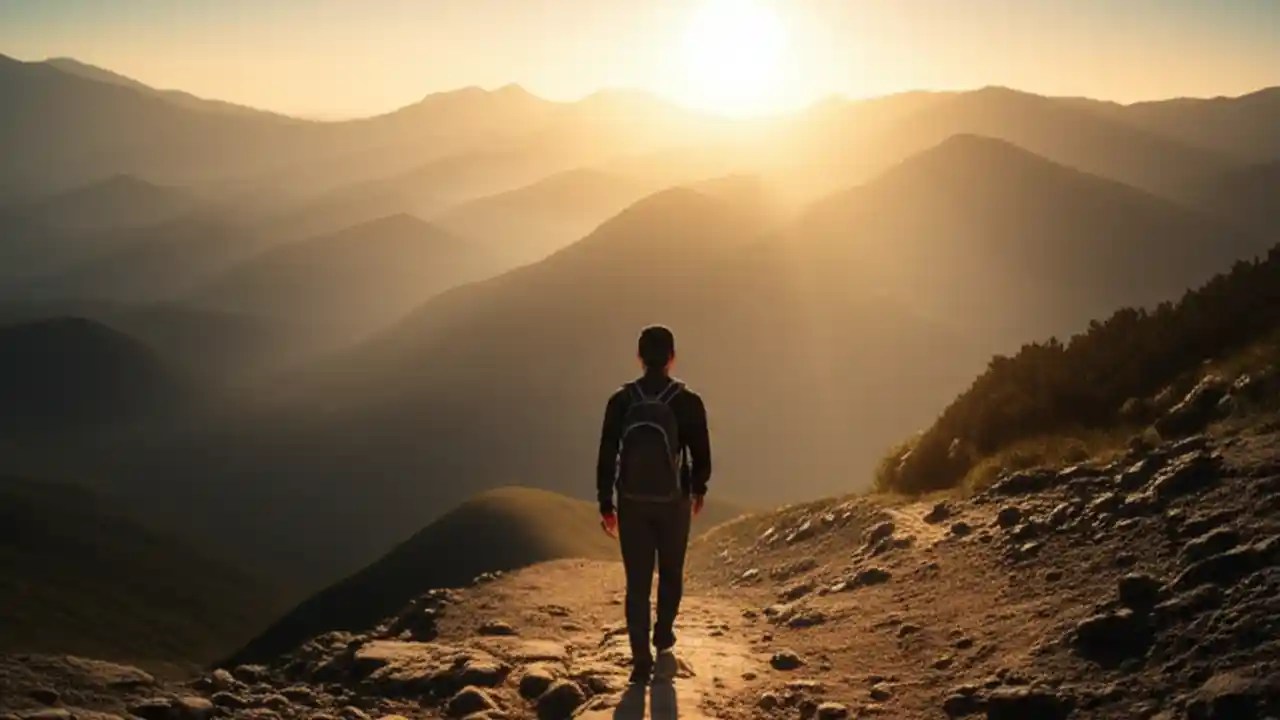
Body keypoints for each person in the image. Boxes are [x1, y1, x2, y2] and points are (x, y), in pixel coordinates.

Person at [596, 325, 712, 685]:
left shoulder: (621, 401)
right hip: (672, 502)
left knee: (637, 582)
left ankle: (640, 660)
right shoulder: (687, 401)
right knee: (671, 572)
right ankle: (663, 641)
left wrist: (606, 503)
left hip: (631, 503)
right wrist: (697, 489)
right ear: (672, 357)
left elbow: (607, 454)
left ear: (640, 357)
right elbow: (700, 453)